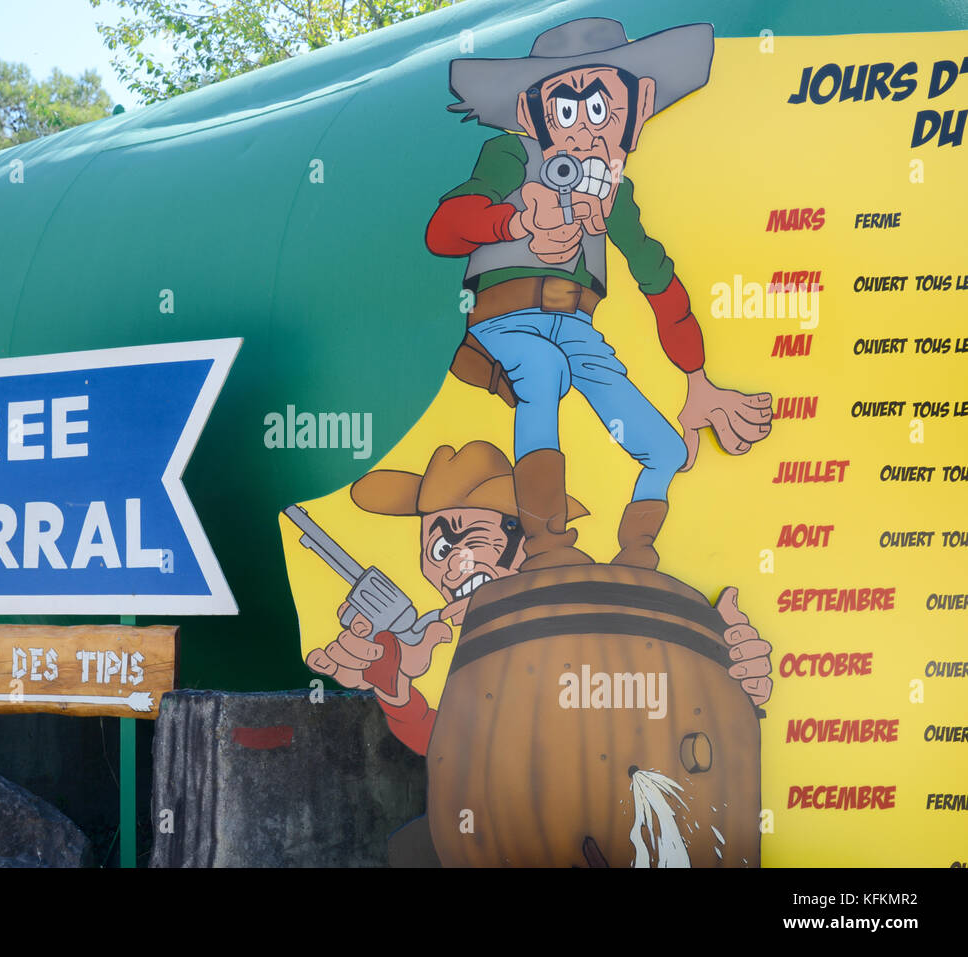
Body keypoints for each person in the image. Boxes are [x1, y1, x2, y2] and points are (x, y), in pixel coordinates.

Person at [429, 18, 772, 571]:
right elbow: (445, 228)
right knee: (542, 371)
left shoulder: (618, 194)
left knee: (666, 450)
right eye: (565, 111)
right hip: (505, 318)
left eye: (601, 111)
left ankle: (637, 559)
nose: (584, 131)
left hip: (579, 329)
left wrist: (698, 380)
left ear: (637, 113)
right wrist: (517, 221)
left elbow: (658, 280)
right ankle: (546, 548)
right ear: (529, 116)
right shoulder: (511, 157)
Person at [305, 442, 773, 756]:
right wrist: (396, 690)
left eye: (472, 540)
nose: (453, 565)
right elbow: (452, 752)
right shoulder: (449, 647)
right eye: (440, 548)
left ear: (527, 538)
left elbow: (663, 711)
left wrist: (731, 682)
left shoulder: (598, 609)